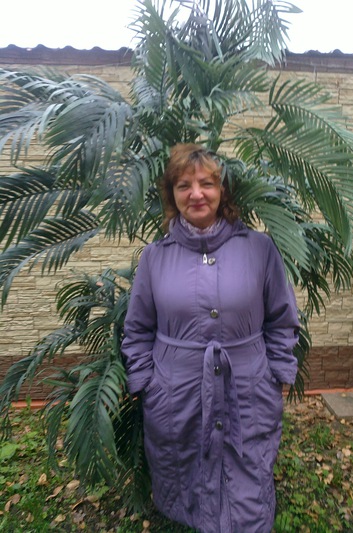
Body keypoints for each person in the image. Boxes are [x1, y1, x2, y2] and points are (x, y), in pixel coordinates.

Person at [121, 143, 299, 533]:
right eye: (184, 185)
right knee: (186, 483)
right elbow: (137, 329)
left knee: (247, 482)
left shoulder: (259, 249)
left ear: (223, 190)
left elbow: (282, 319)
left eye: (207, 183)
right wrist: (146, 382)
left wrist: (277, 375)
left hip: (248, 390)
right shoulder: (155, 257)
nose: (196, 194)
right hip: (176, 395)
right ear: (172, 195)